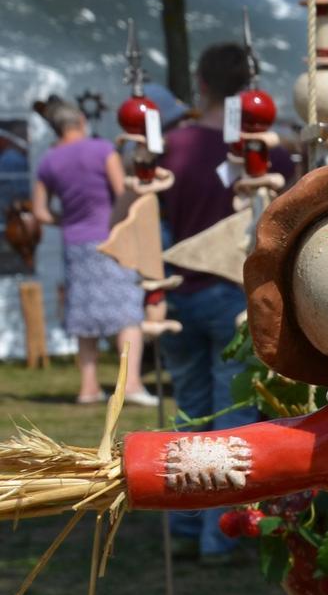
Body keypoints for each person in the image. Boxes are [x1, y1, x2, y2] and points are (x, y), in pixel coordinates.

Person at [157, 42, 295, 559]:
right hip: (234, 295)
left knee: (191, 409)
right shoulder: (269, 151)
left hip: (181, 292)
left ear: (202, 83)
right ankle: (218, 535)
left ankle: (189, 526)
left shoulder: (175, 144)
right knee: (231, 413)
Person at [31, 98, 154, 406]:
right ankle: (131, 383)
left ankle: (88, 387)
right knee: (127, 312)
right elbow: (122, 193)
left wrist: (66, 221)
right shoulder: (101, 149)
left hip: (75, 244)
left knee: (83, 317)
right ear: (81, 121)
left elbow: (40, 212)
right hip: (111, 239)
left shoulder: (48, 161)